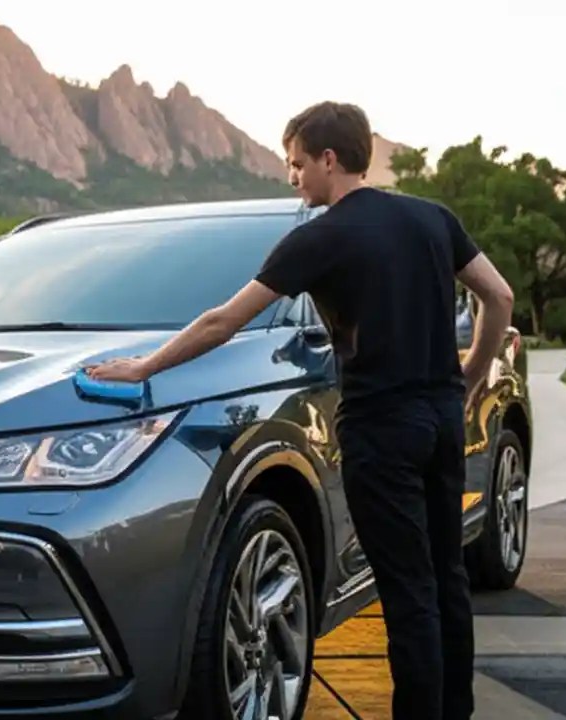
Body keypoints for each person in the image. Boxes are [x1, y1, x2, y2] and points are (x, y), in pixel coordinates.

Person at [85, 100, 515, 720]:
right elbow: (497, 297)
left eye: (296, 164)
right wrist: (468, 377)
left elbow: (224, 320)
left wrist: (144, 367)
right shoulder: (432, 219)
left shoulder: (320, 238)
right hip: (441, 421)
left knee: (406, 589)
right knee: (446, 575)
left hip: (380, 430)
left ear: (329, 160)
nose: (292, 178)